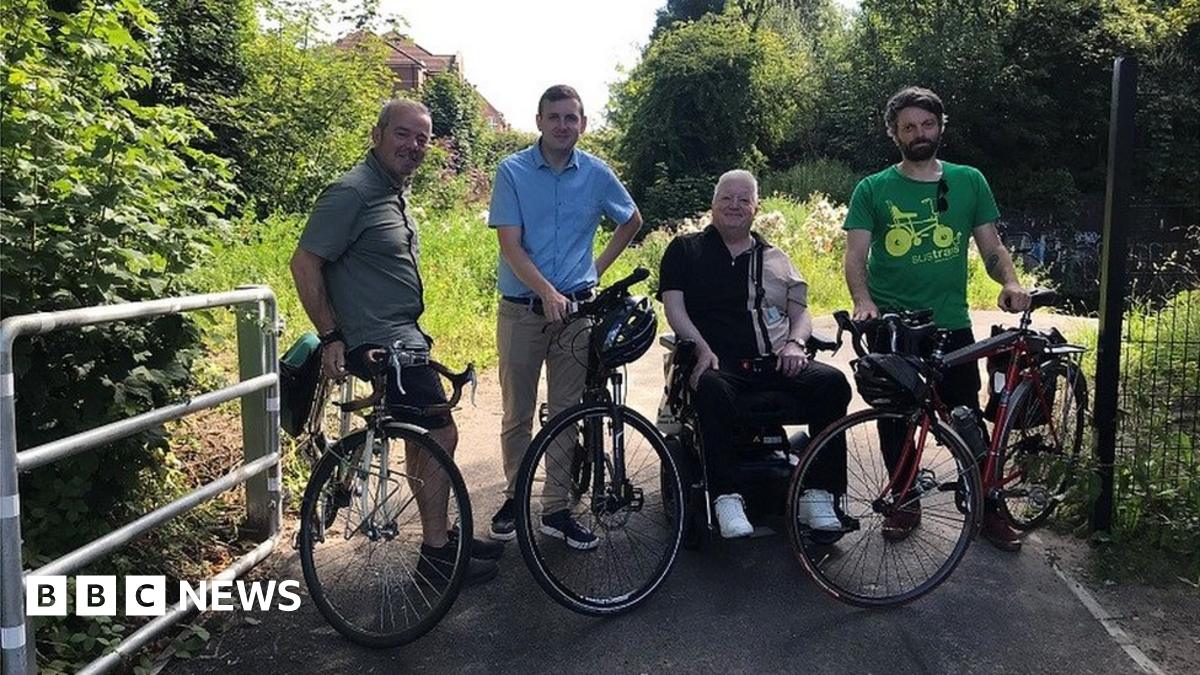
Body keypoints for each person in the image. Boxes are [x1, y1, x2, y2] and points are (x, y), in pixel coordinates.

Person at [290, 98, 501, 584]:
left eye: (423, 138)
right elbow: (305, 264)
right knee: (440, 432)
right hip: (377, 343)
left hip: (403, 340)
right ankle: (436, 554)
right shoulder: (352, 193)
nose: (414, 146)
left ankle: (442, 537)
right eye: (404, 134)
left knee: (423, 432)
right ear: (377, 133)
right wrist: (331, 337)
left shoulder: (391, 192)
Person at [842, 85, 1032, 551]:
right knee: (895, 419)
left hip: (951, 323)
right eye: (909, 127)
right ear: (894, 134)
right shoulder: (873, 188)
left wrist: (1008, 282)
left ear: (941, 127)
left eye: (927, 124)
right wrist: (864, 302)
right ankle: (904, 500)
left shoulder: (969, 181)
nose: (919, 133)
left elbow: (991, 246)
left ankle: (986, 505)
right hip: (894, 327)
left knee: (966, 418)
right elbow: (855, 255)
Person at [487, 85, 643, 549]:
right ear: (538, 121)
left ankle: (555, 508)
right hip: (521, 311)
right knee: (517, 414)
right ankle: (516, 496)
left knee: (566, 412)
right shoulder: (512, 171)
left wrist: (594, 270)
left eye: (570, 118)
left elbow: (631, 219)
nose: (562, 126)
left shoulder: (596, 173)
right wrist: (547, 291)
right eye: (553, 117)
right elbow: (510, 245)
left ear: (583, 124)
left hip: (576, 313)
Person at [658, 170, 851, 539]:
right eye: (727, 198)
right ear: (713, 204)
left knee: (832, 384)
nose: (735, 205)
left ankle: (818, 495)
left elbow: (801, 311)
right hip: (718, 362)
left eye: (743, 199)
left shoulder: (774, 257)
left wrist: (795, 343)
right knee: (711, 388)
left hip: (774, 361)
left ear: (755, 207)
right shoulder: (686, 250)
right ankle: (727, 497)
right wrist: (701, 348)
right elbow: (674, 309)